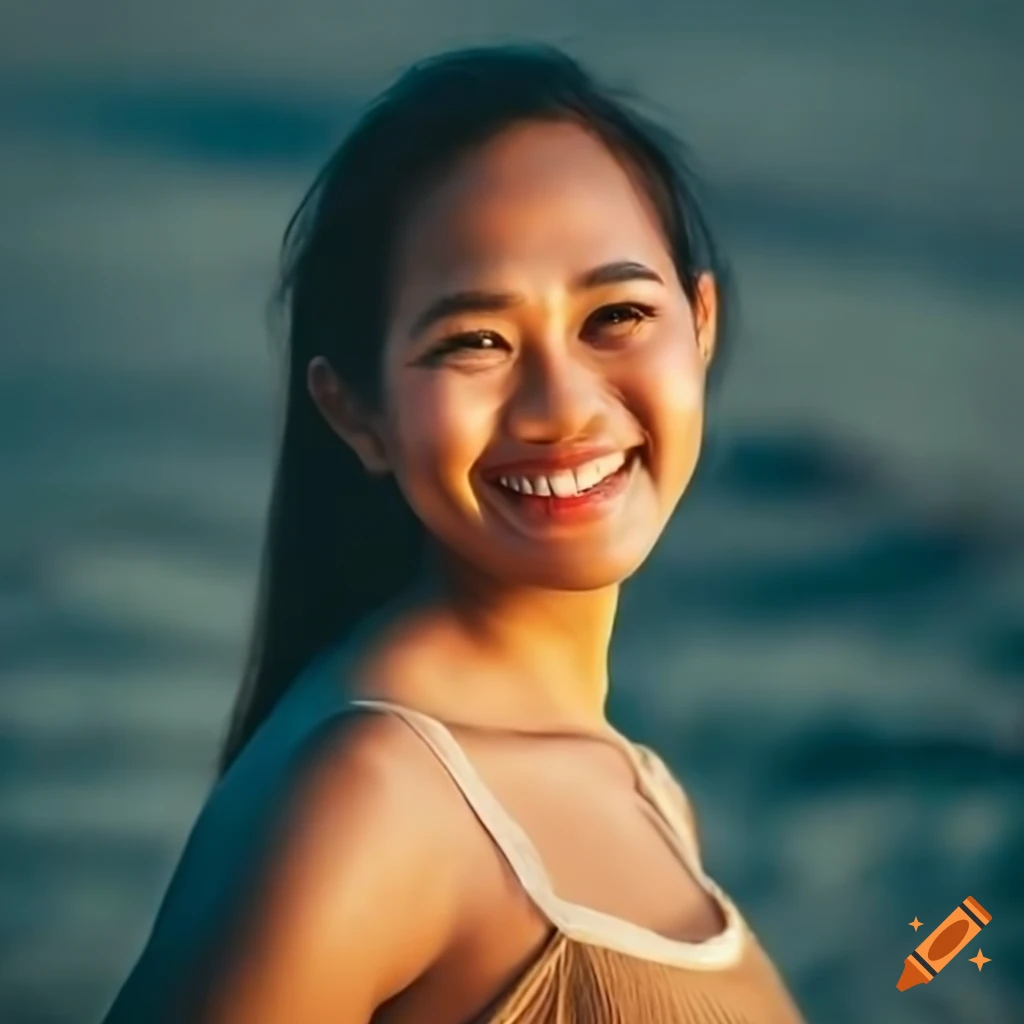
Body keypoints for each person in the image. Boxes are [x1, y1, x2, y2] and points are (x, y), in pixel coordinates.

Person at [102, 44, 805, 1024]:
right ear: (355, 412)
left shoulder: (641, 787)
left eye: (617, 315)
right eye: (474, 340)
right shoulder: (374, 799)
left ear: (701, 324)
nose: (561, 407)